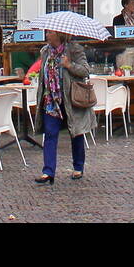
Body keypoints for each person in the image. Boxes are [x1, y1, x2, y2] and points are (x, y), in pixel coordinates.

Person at [33, 29, 93, 185]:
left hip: (70, 99)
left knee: (76, 133)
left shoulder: (74, 49)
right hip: (51, 100)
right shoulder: (45, 51)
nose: (46, 35)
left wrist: (69, 65)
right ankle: (48, 171)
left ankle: (78, 167)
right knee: (50, 134)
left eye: (50, 33)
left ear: (58, 35)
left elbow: (85, 70)